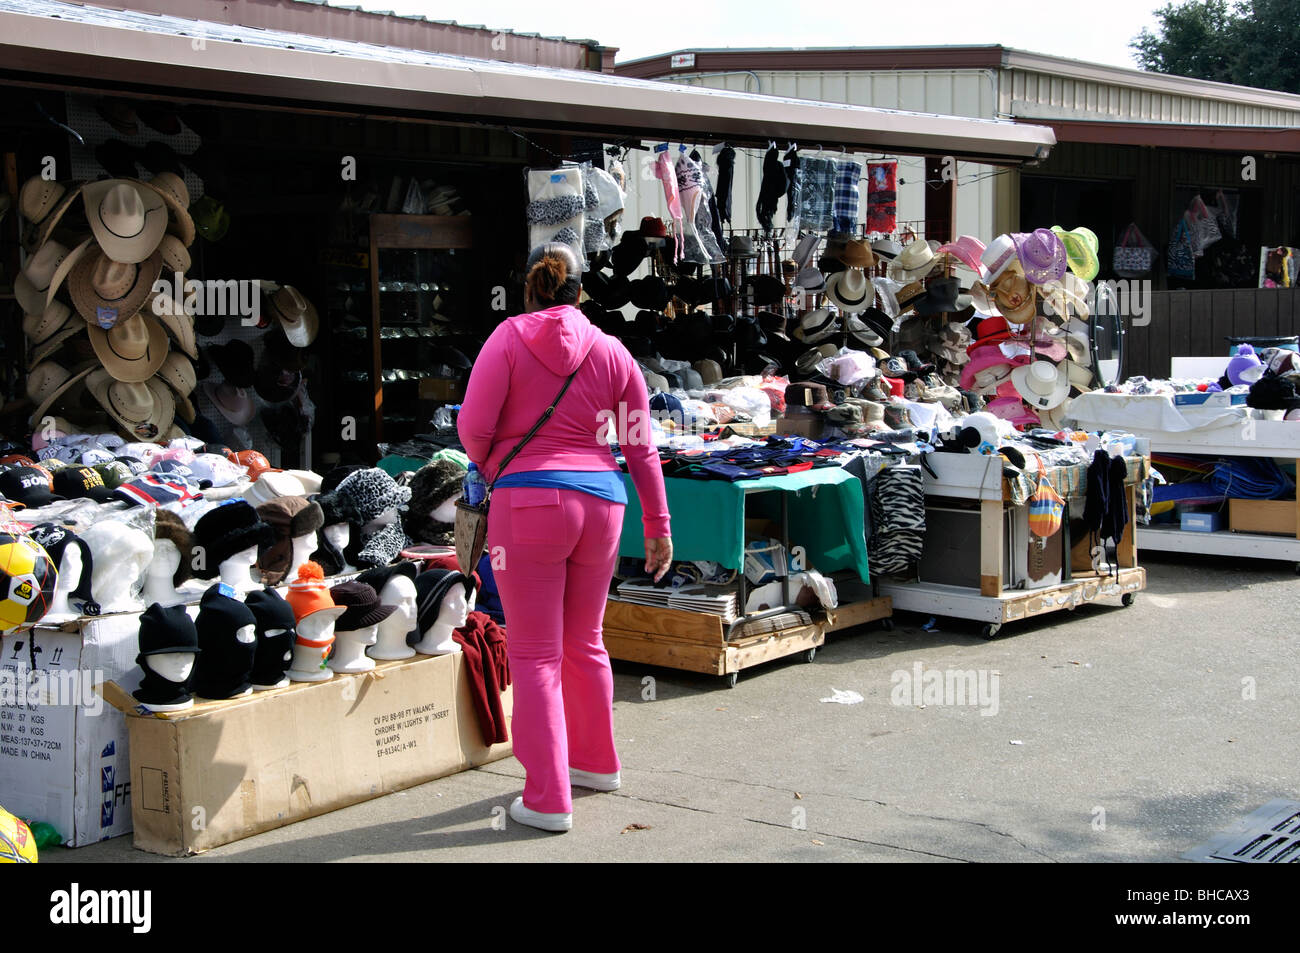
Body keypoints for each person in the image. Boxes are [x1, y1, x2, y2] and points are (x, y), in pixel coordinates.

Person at [457, 243, 672, 833]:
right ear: (582, 292)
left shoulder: (507, 338)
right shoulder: (614, 351)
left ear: (530, 288)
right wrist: (659, 525)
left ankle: (548, 796)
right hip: (604, 503)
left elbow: (472, 427)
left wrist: (496, 464)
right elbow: (640, 447)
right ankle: (597, 763)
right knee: (586, 642)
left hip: (527, 504)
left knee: (533, 653)